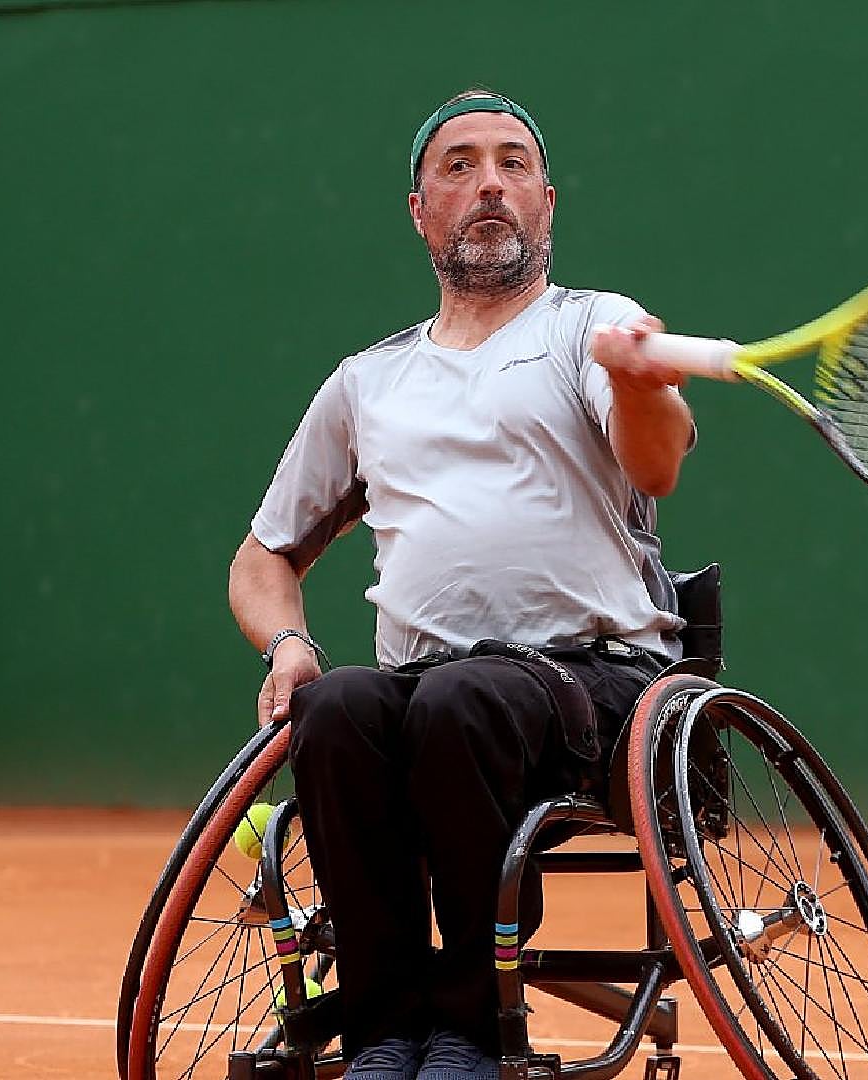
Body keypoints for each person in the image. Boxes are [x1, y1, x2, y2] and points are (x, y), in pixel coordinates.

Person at [227, 89, 695, 1080]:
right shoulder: (368, 382)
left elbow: (655, 467)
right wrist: (290, 644)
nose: (489, 181)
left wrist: (640, 382)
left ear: (547, 202)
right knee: (343, 705)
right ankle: (388, 1033)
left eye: (513, 162)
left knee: (461, 697)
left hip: (592, 685)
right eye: (460, 164)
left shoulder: (594, 328)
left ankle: (473, 1030)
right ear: (420, 209)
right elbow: (264, 558)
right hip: (426, 693)